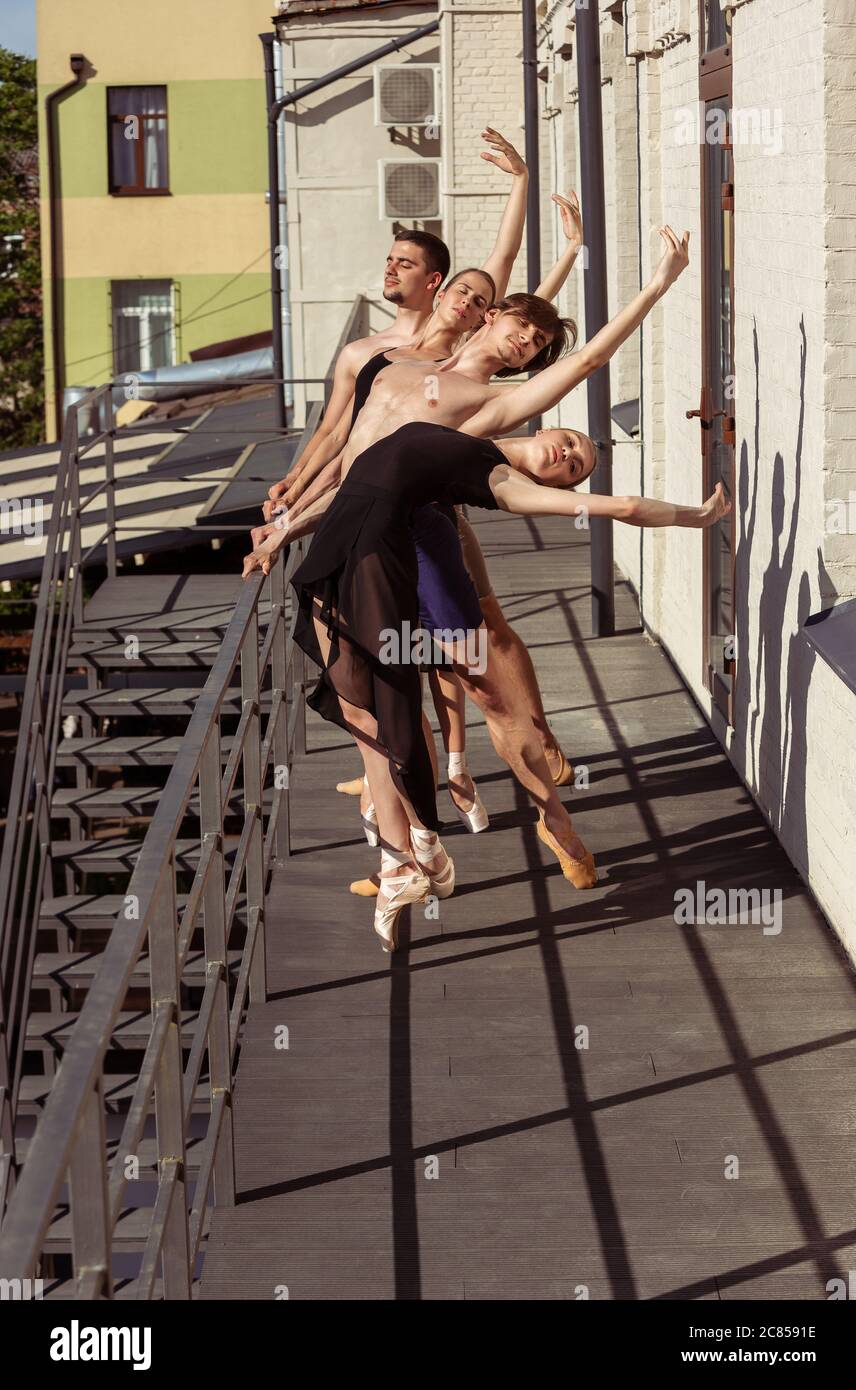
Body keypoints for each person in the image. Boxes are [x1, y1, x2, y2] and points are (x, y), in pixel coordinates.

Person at [243, 229, 727, 952]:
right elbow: (351, 461)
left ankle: (541, 811)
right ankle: (405, 844)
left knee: (476, 680)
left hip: (419, 531)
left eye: (534, 347)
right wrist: (286, 522)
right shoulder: (394, 360)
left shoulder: (494, 402)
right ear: (485, 313)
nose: (522, 344)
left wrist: (658, 283)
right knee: (366, 690)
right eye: (517, 327)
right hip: (361, 519)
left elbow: (590, 357)